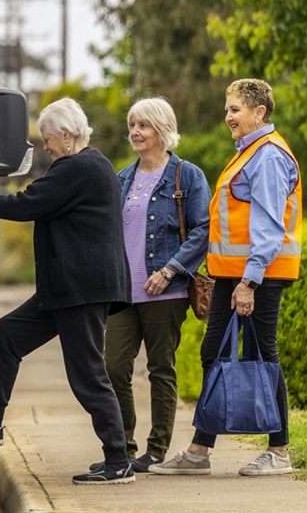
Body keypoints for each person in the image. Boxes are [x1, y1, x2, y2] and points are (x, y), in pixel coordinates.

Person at [0, 97, 136, 485]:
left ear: (67, 137)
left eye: (48, 139)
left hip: (80, 288)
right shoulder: (87, 165)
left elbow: (27, 203)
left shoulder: (78, 167)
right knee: (7, 335)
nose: (45, 146)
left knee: (87, 374)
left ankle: (118, 460)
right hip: (66, 287)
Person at [150, 78, 301, 478]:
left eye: (234, 109)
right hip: (234, 276)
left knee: (262, 356)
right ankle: (200, 451)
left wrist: (248, 283)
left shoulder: (267, 156)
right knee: (213, 354)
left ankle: (279, 451)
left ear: (259, 112)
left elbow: (269, 227)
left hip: (257, 277)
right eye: (227, 109)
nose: (227, 116)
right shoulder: (248, 153)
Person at [92, 97, 209, 474]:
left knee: (161, 367)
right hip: (124, 292)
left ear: (161, 129)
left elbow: (203, 229)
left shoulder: (185, 175)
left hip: (166, 292)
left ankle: (156, 450)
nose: (135, 132)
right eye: (132, 124)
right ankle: (123, 448)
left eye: (143, 125)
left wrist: (170, 271)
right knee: (112, 367)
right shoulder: (122, 177)